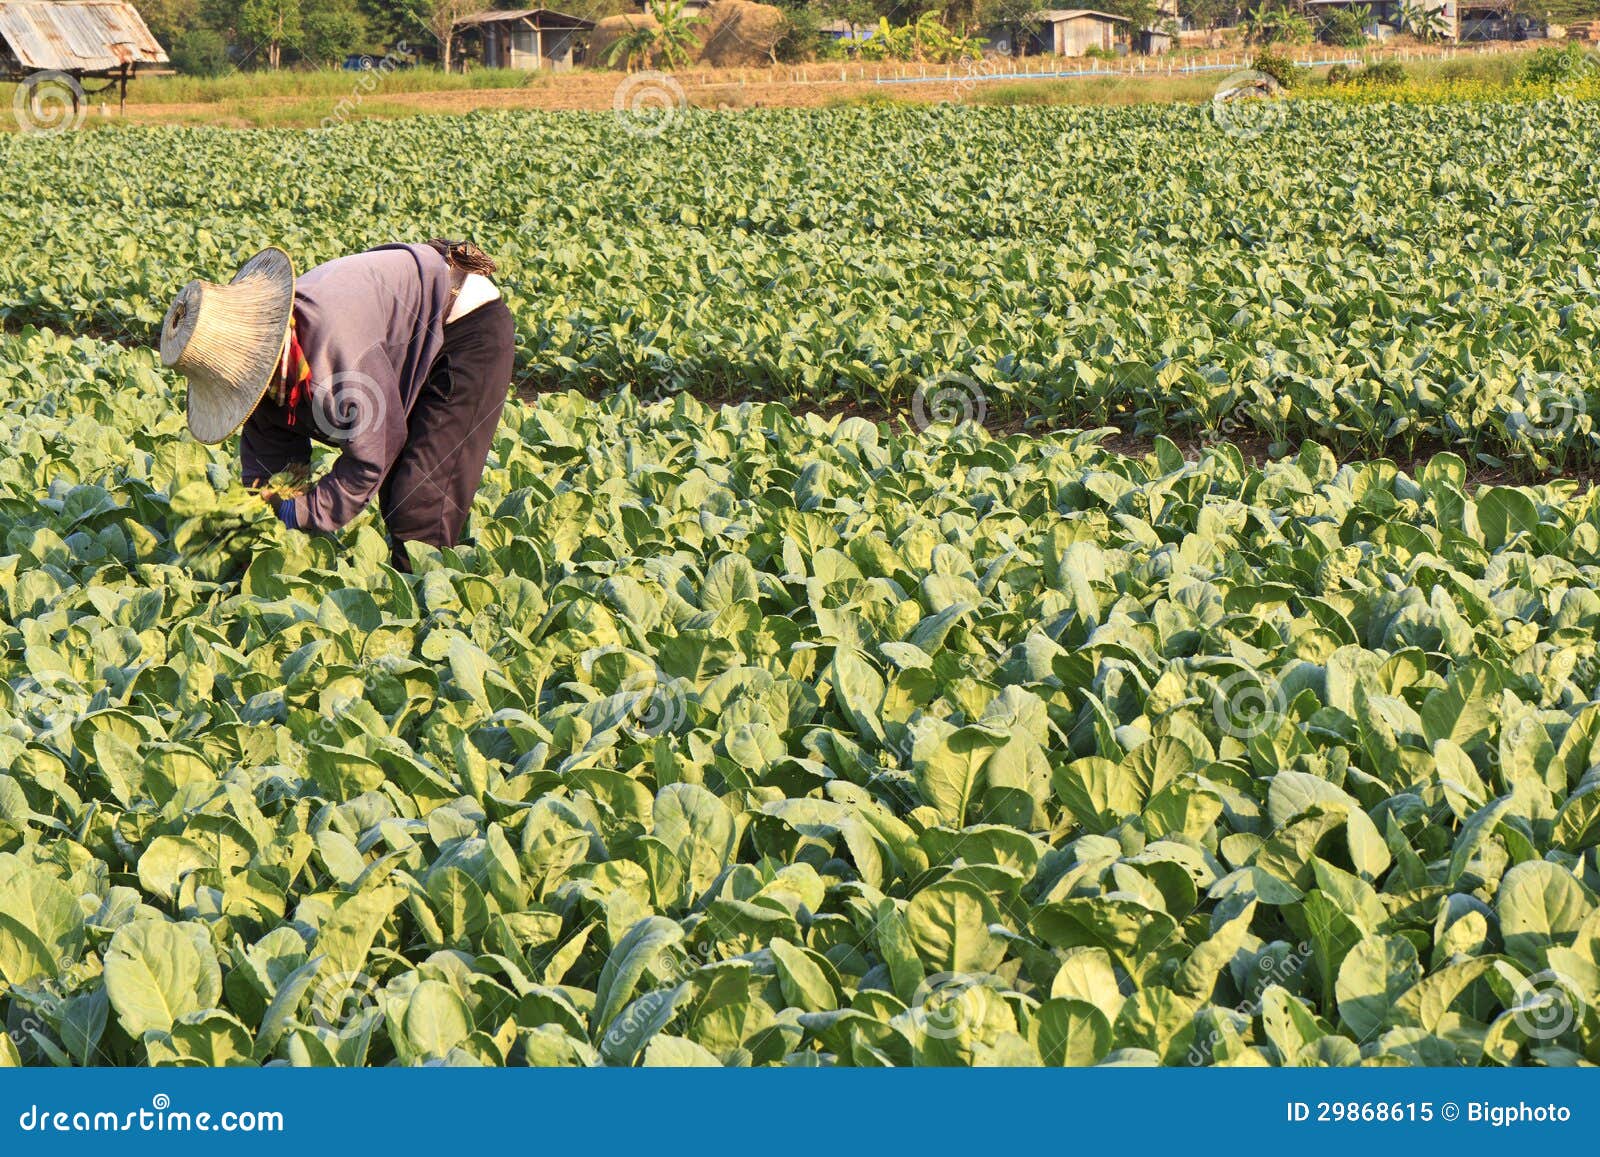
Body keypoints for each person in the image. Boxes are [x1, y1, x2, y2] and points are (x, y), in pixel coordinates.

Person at [158, 240, 515, 571]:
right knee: (398, 493)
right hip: (406, 335)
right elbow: (272, 464)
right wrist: (264, 507)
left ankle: (433, 619)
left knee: (417, 501)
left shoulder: (337, 360)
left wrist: (301, 512)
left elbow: (374, 454)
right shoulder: (271, 373)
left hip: (465, 326)